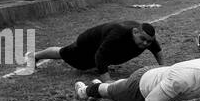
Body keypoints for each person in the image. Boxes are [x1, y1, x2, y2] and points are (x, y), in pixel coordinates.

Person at [18, 21, 162, 78]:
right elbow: (100, 56)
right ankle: (34, 55)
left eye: (148, 41)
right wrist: (107, 81)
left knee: (90, 65)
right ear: (135, 32)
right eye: (143, 39)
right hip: (87, 43)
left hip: (102, 45)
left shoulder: (148, 39)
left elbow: (157, 49)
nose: (145, 44)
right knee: (65, 54)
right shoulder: (117, 34)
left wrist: (163, 67)